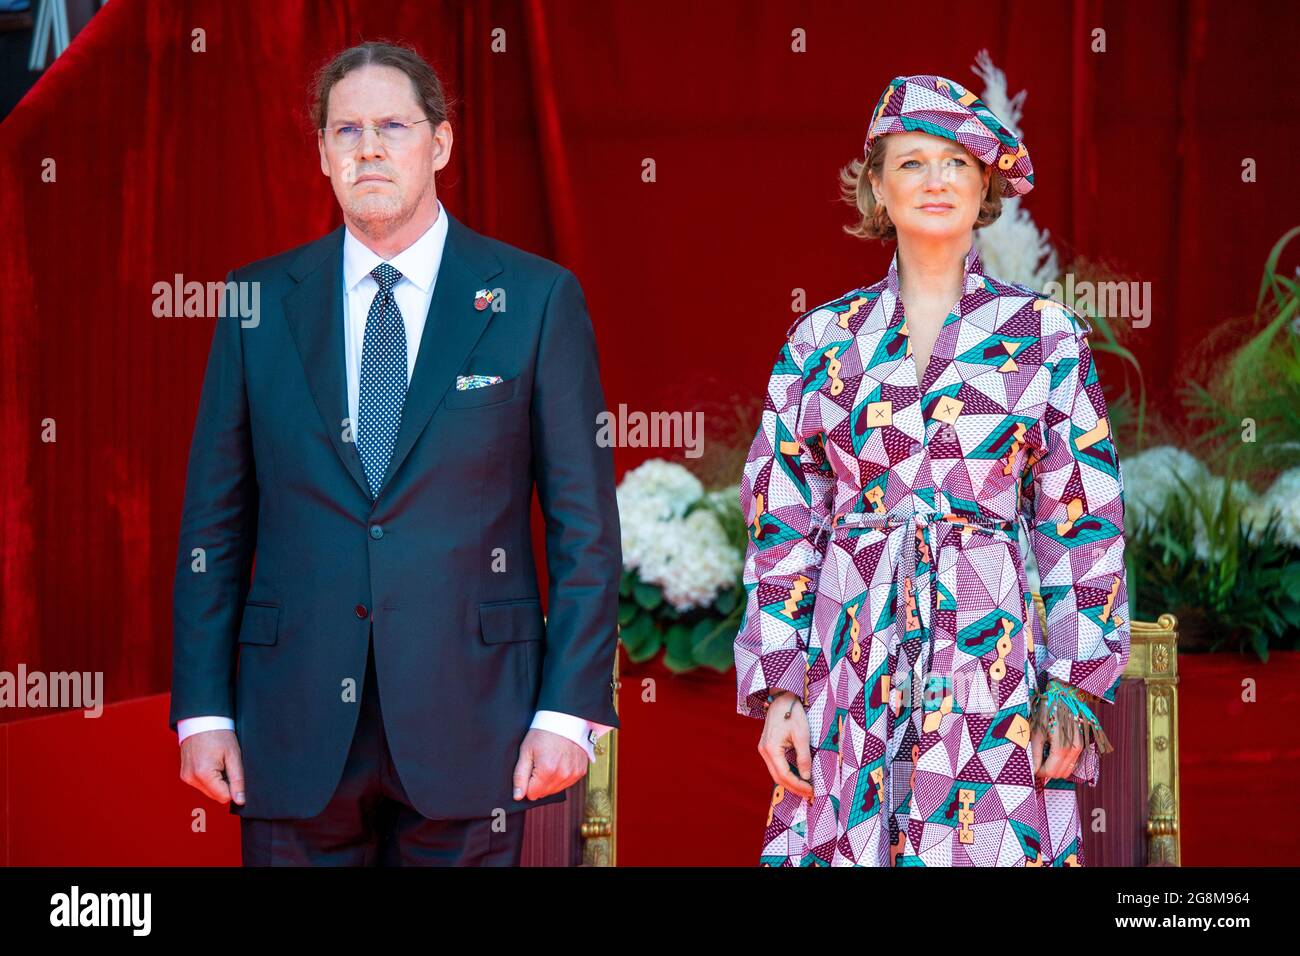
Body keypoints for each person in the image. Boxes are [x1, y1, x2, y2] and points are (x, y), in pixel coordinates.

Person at [170, 40, 621, 866]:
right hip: (290, 723)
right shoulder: (256, 303)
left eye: (391, 126)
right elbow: (214, 522)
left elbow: (584, 526)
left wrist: (566, 713)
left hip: (477, 719)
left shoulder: (535, 298)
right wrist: (204, 712)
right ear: (321, 154)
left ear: (440, 143)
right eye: (346, 130)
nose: (368, 148)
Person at [733, 73, 1130, 867]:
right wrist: (782, 691)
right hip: (851, 645)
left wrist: (1073, 684)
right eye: (911, 162)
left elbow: (1080, 517)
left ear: (985, 181)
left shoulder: (1044, 334)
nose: (936, 179)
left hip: (992, 649)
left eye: (956, 161)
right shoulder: (821, 340)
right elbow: (779, 521)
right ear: (876, 187)